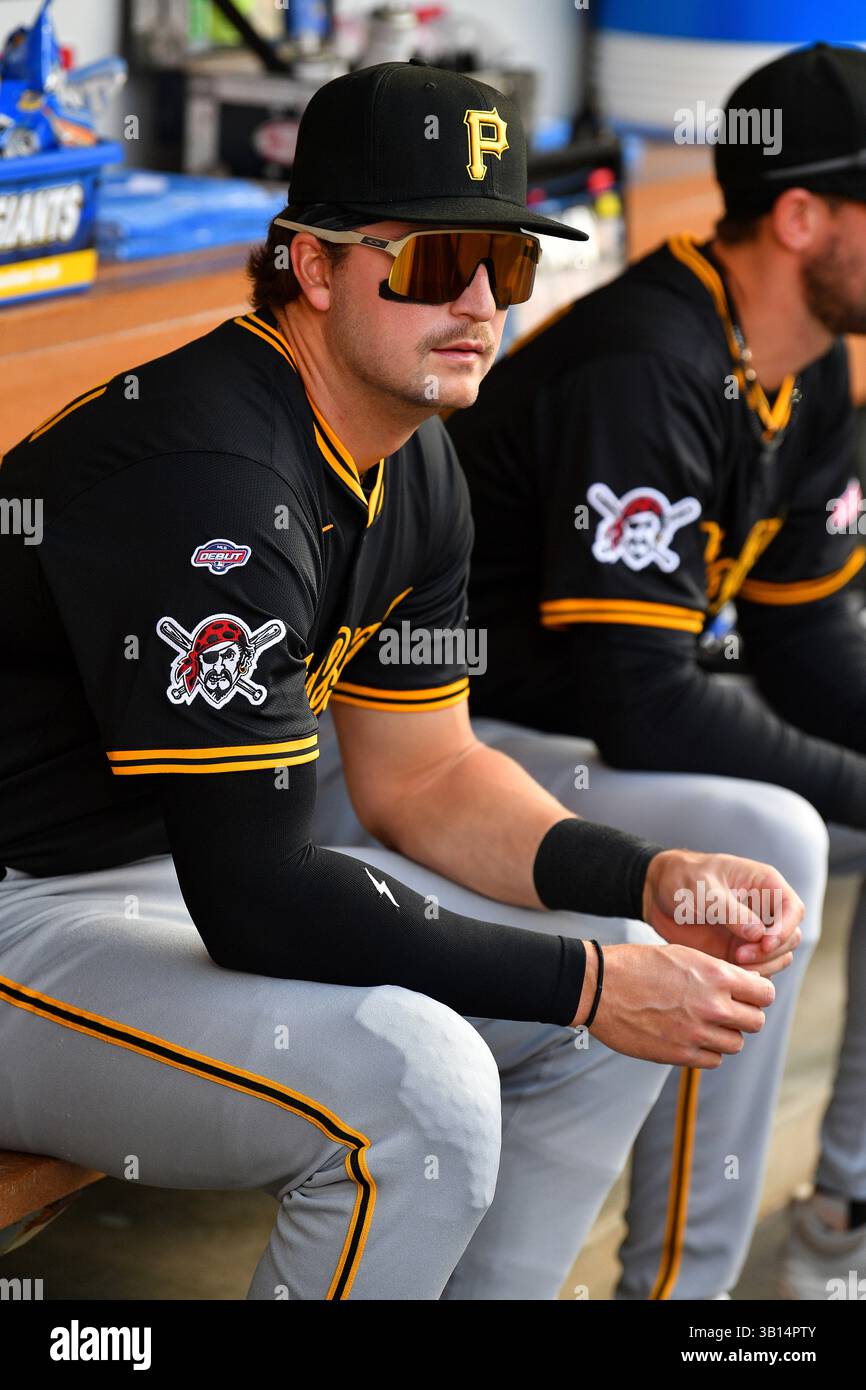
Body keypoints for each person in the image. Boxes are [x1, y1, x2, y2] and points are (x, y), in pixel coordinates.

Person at [0, 61, 796, 1302]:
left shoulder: (412, 456)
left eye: (508, 265)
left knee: (636, 970)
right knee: (421, 1083)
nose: (479, 301)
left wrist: (644, 875)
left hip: (143, 890)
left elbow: (422, 776)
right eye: (433, 261)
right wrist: (587, 984)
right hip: (25, 906)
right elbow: (257, 898)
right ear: (311, 268)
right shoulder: (212, 476)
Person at [442, 42, 866, 1299]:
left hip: (575, 735)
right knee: (771, 838)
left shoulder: (813, 366)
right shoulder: (652, 366)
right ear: (799, 216)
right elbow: (641, 701)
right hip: (456, 750)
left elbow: (797, 640)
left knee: (806, 810)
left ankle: (841, 1211)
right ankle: (679, 1290)